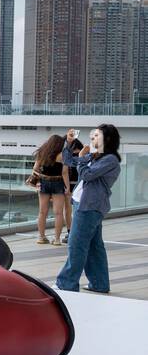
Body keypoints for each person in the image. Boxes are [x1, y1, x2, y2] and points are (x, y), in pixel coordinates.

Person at [56, 124, 122, 294]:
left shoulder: (110, 160)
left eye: (96, 136)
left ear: (107, 139)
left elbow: (86, 175)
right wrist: (69, 144)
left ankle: (67, 283)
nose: (92, 139)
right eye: (92, 136)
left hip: (90, 206)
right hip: (84, 204)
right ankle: (99, 284)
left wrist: (84, 156)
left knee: (76, 244)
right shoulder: (95, 157)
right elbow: (68, 161)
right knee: (94, 247)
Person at [30, 134, 69, 245]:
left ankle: (41, 237)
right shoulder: (62, 155)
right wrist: (67, 188)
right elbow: (64, 172)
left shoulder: (42, 153)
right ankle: (56, 239)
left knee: (42, 212)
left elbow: (35, 169)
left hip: (44, 183)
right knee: (58, 213)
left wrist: (37, 182)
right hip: (58, 183)